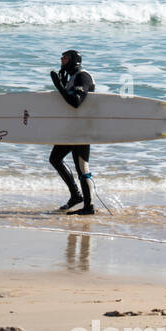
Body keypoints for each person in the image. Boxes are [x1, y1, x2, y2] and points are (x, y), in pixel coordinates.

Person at [49, 49, 96, 215]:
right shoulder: (72, 78)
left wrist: (59, 87)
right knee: (55, 158)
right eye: (61, 57)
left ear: (75, 60)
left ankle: (89, 207)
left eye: (65, 57)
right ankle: (76, 195)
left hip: (82, 130)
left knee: (82, 167)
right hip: (72, 128)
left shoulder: (83, 76)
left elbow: (76, 102)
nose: (62, 60)